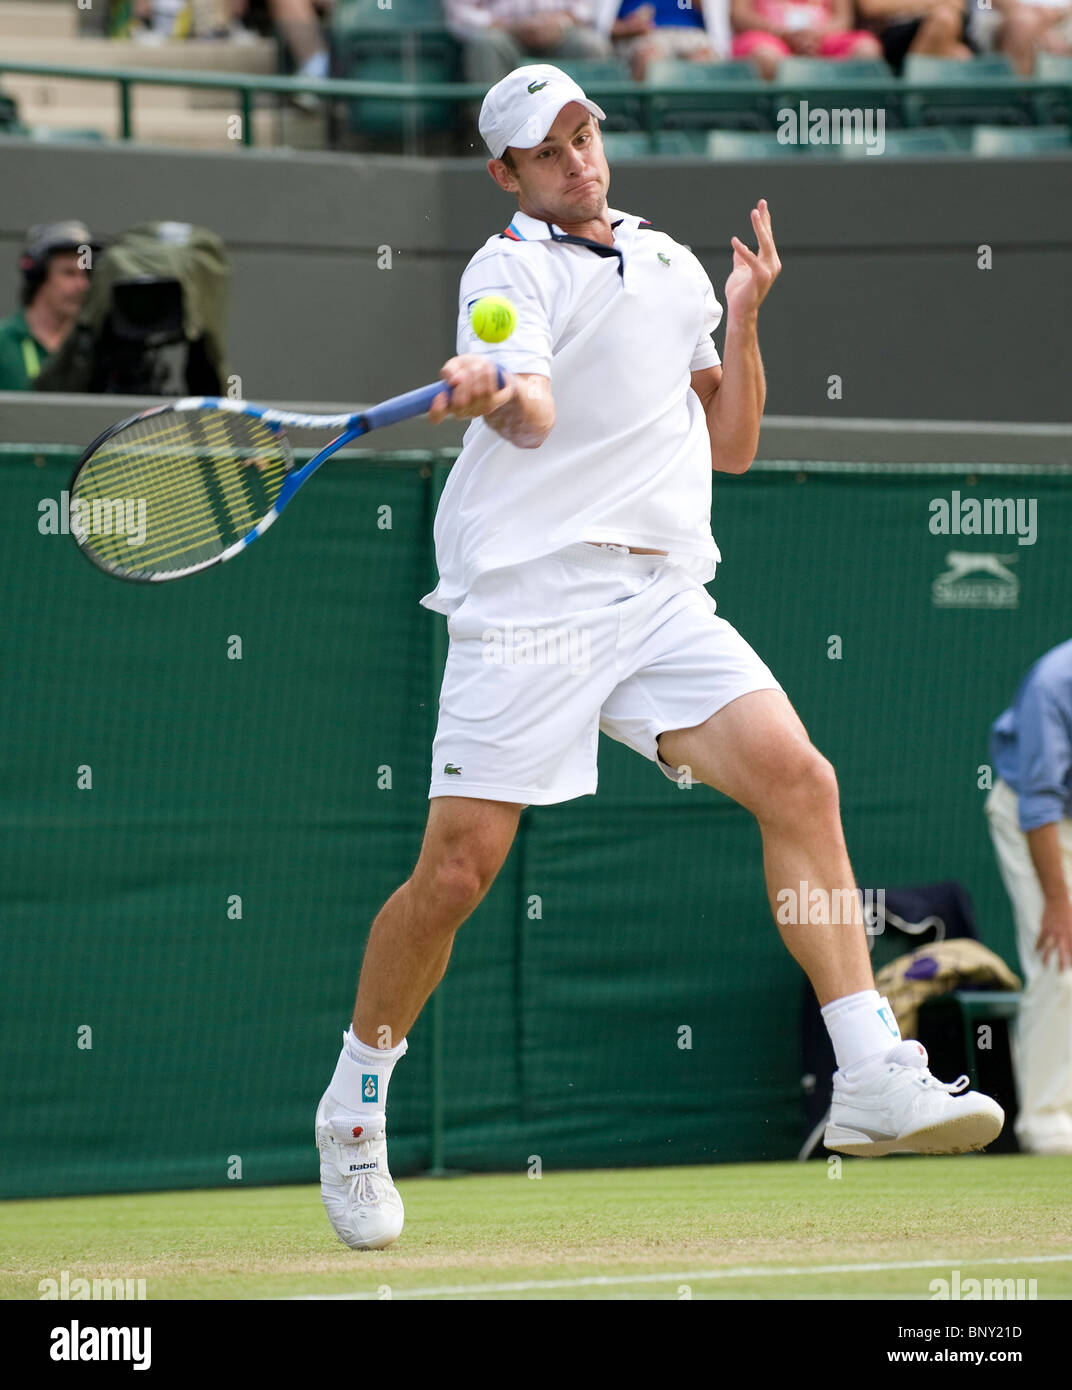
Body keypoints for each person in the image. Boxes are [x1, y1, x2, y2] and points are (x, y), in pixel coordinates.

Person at [314, 63, 1004, 1251]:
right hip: (530, 598)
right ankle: (356, 1104)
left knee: (800, 778)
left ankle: (867, 1070)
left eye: (586, 132)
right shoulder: (508, 270)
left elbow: (729, 442)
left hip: (656, 593)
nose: (579, 158)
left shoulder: (673, 259)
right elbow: (531, 408)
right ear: (509, 176)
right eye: (550, 149)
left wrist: (742, 318)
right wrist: (493, 388)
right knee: (457, 876)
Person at [986, 639, 1072, 1155]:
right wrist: (1059, 904)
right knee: (1061, 962)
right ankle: (1045, 1124)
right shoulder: (1053, 683)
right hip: (1033, 822)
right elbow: (1038, 805)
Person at [0, 222, 96, 393]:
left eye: (85, 274)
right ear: (38, 277)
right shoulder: (4, 341)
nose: (82, 285)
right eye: (69, 273)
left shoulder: (91, 346)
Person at [445, 0, 612, 84]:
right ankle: (495, 145)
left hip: (561, 32)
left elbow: (587, 9)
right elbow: (460, 13)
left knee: (591, 47)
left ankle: (588, 139)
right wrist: (508, 26)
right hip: (503, 34)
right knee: (485, 46)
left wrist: (560, 23)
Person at [731, 0, 882, 80]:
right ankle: (775, 125)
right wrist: (781, 32)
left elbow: (843, 19)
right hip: (768, 37)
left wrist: (815, 36)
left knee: (866, 50)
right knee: (766, 57)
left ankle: (845, 119)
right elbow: (739, 15)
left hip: (823, 38)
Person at [854, 0, 973, 74]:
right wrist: (930, 3)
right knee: (944, 19)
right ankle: (912, 97)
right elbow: (872, 7)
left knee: (961, 54)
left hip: (938, 31)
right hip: (891, 36)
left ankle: (913, 99)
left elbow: (958, 5)